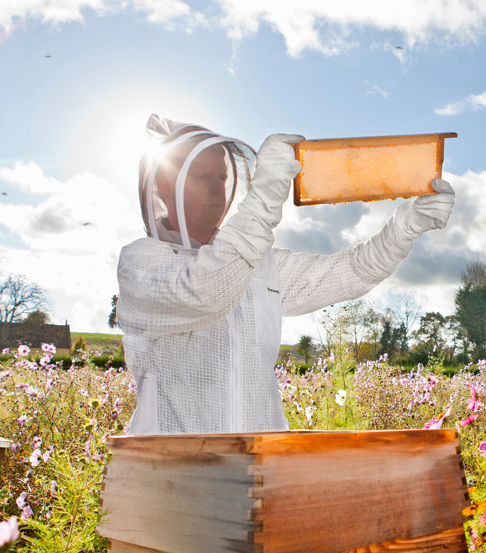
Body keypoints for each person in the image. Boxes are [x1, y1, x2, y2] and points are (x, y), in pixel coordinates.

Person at [117, 113, 455, 435]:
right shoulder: (142, 264)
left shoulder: (260, 263)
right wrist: (263, 202)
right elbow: (204, 293)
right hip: (170, 473)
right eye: (202, 177)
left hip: (258, 466)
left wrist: (406, 226)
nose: (217, 189)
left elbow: (351, 271)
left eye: (221, 177)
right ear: (164, 185)